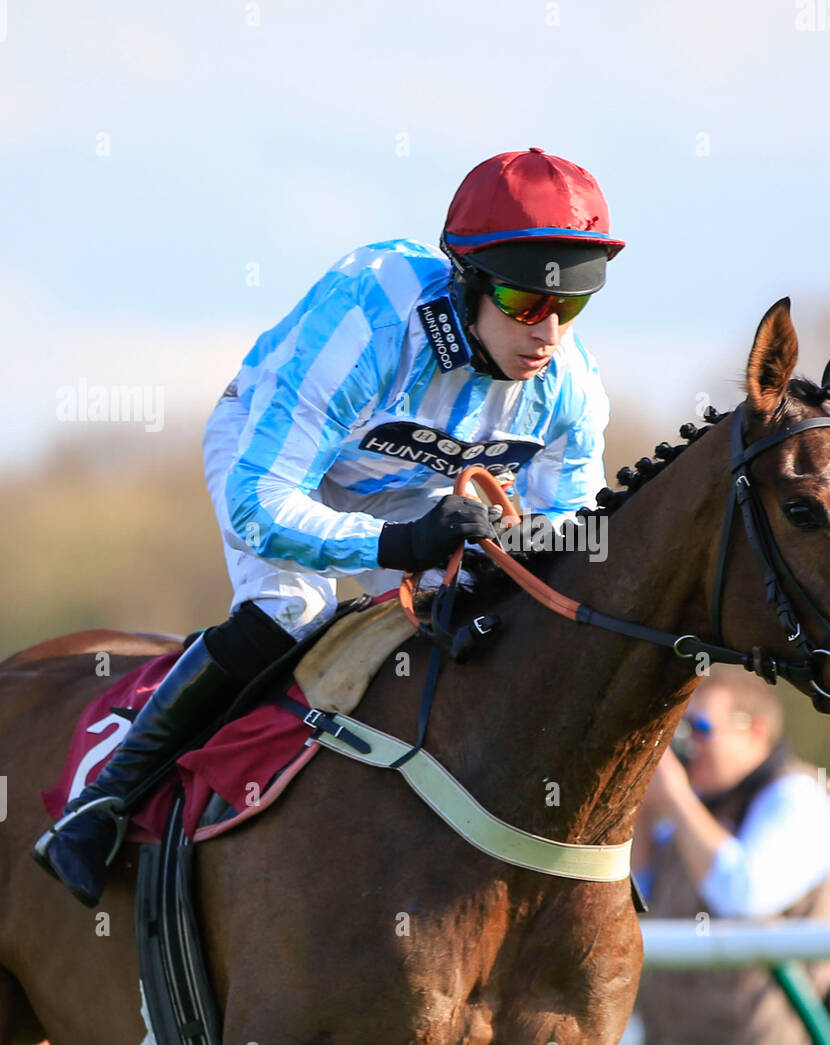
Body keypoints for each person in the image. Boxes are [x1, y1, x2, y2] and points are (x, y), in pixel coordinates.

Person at [34, 148, 625, 907]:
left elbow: (571, 531)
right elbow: (261, 502)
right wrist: (397, 548)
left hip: (409, 489)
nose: (547, 333)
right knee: (296, 611)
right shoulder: (370, 313)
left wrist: (518, 549)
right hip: (276, 461)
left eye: (568, 308)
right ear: (469, 282)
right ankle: (105, 802)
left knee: (482, 618)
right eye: (522, 302)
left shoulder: (569, 386)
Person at [632, 666, 830, 1045]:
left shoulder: (798, 797)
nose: (687, 747)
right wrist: (643, 804)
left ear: (754, 732)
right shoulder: (698, 808)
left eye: (699, 728)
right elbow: (638, 898)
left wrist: (676, 797)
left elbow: (744, 894)